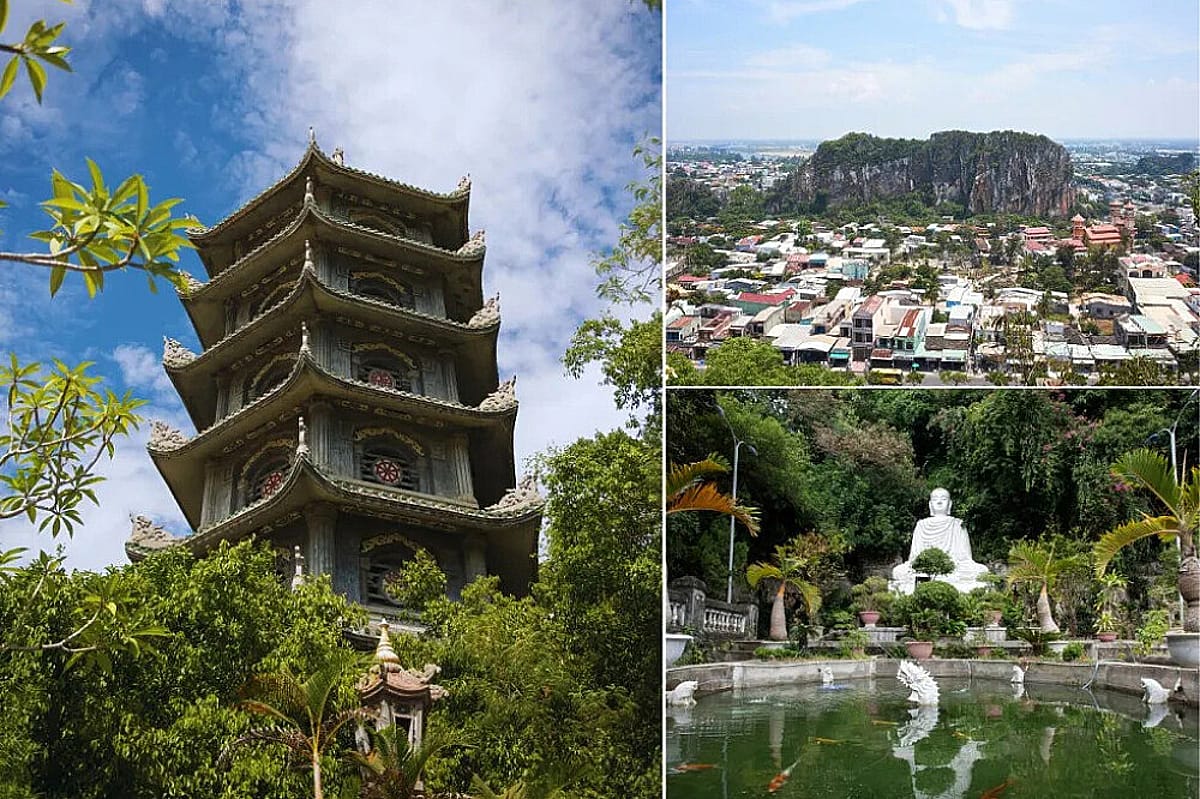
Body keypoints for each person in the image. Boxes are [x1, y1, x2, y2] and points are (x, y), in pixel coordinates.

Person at [891, 488, 989, 594]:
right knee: (899, 571)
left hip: (954, 568)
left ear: (950, 504)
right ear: (930, 504)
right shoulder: (921, 525)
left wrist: (955, 564)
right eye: (935, 499)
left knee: (981, 570)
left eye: (943, 499)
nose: (939, 502)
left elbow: (966, 557)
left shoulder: (958, 524)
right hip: (925, 570)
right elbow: (915, 558)